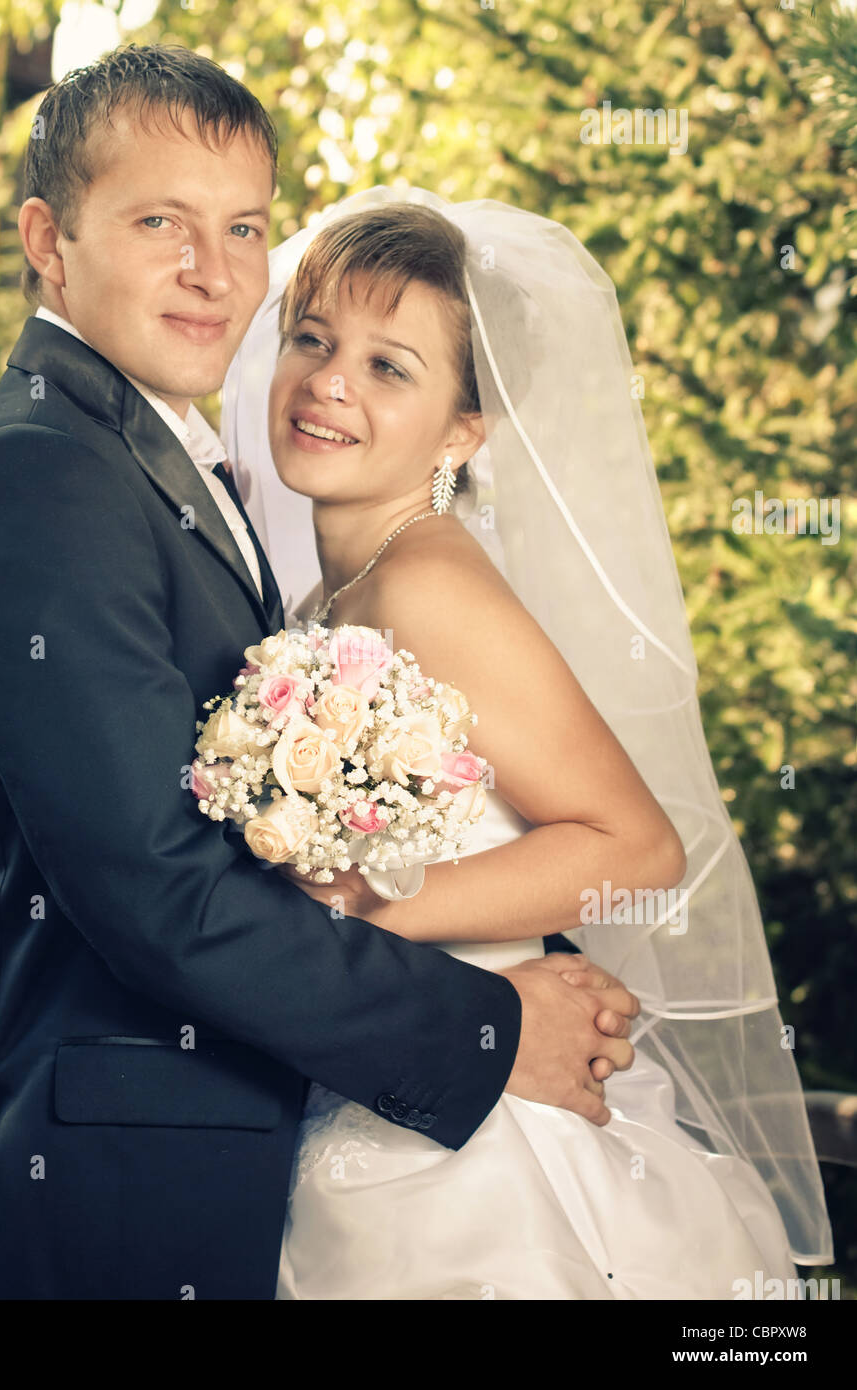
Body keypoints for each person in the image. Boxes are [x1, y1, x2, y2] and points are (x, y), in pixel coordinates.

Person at [0, 45, 640, 1300]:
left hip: (224, 1153)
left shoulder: (156, 461)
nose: (215, 272)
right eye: (159, 224)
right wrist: (489, 1024)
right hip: (101, 1191)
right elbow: (158, 893)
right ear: (47, 236)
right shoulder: (39, 476)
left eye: (244, 227)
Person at [222, 191, 834, 1297]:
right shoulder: (332, 591)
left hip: (477, 1146)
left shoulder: (428, 582)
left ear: (465, 430)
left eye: (389, 366)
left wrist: (360, 906)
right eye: (312, 339)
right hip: (394, 1079)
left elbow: (637, 845)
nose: (328, 383)